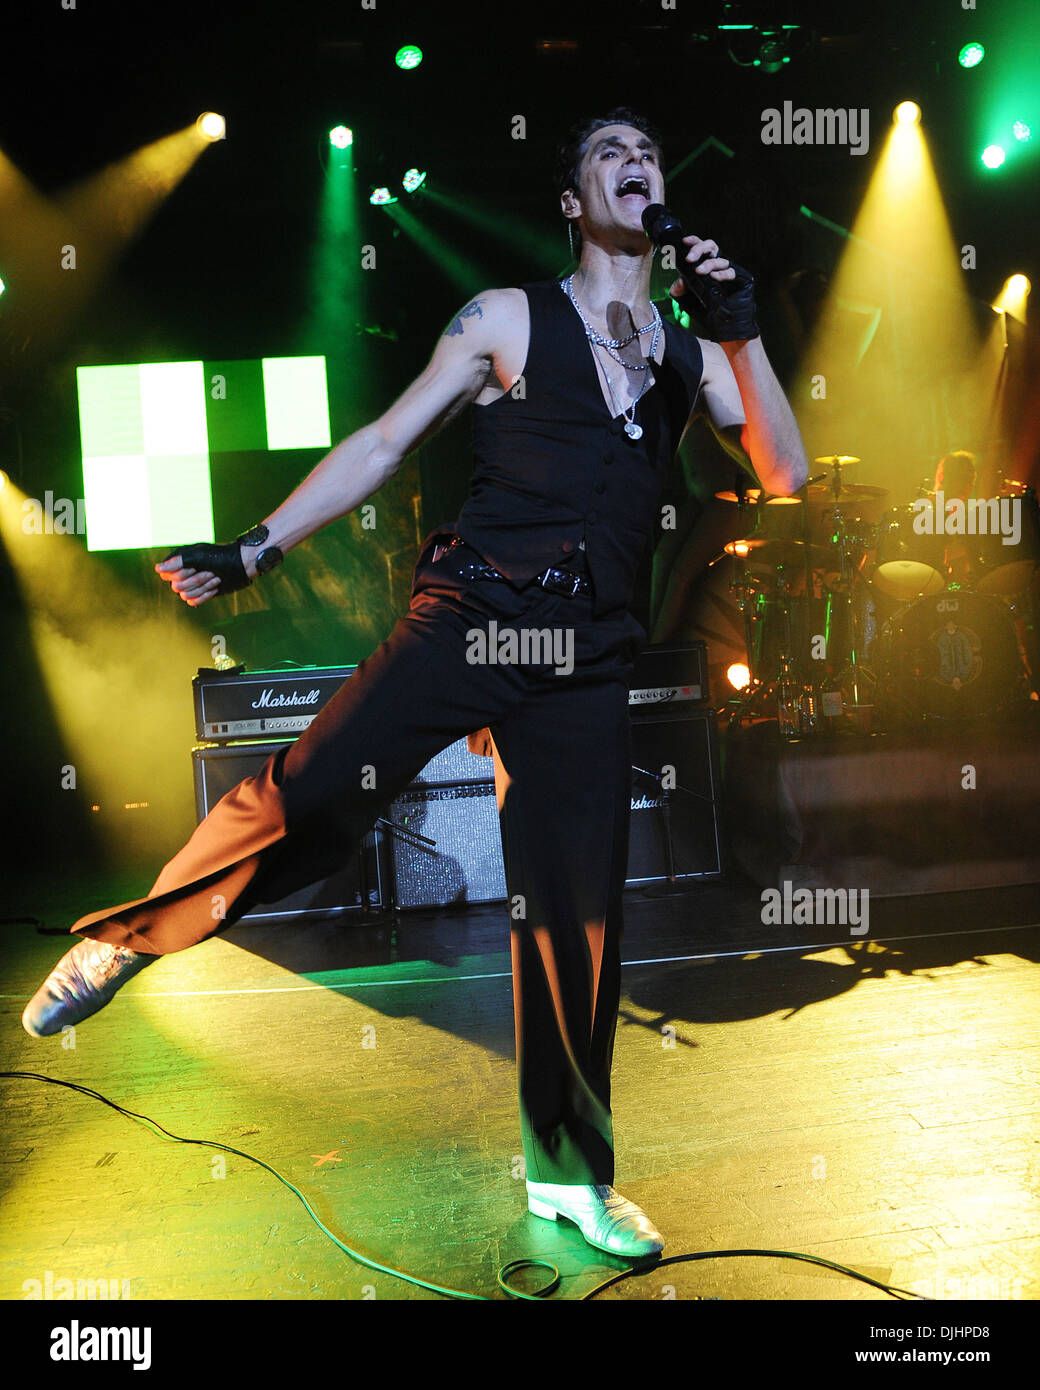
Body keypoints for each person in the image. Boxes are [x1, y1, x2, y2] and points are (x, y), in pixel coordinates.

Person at [23, 108, 809, 1259]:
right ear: (570, 199)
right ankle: (126, 937)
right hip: (472, 616)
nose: (635, 165)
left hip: (586, 658)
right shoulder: (504, 316)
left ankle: (565, 1175)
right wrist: (258, 546)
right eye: (608, 154)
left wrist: (743, 335)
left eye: (647, 151)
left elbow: (782, 470)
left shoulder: (691, 351)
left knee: (575, 927)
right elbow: (385, 443)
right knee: (312, 792)